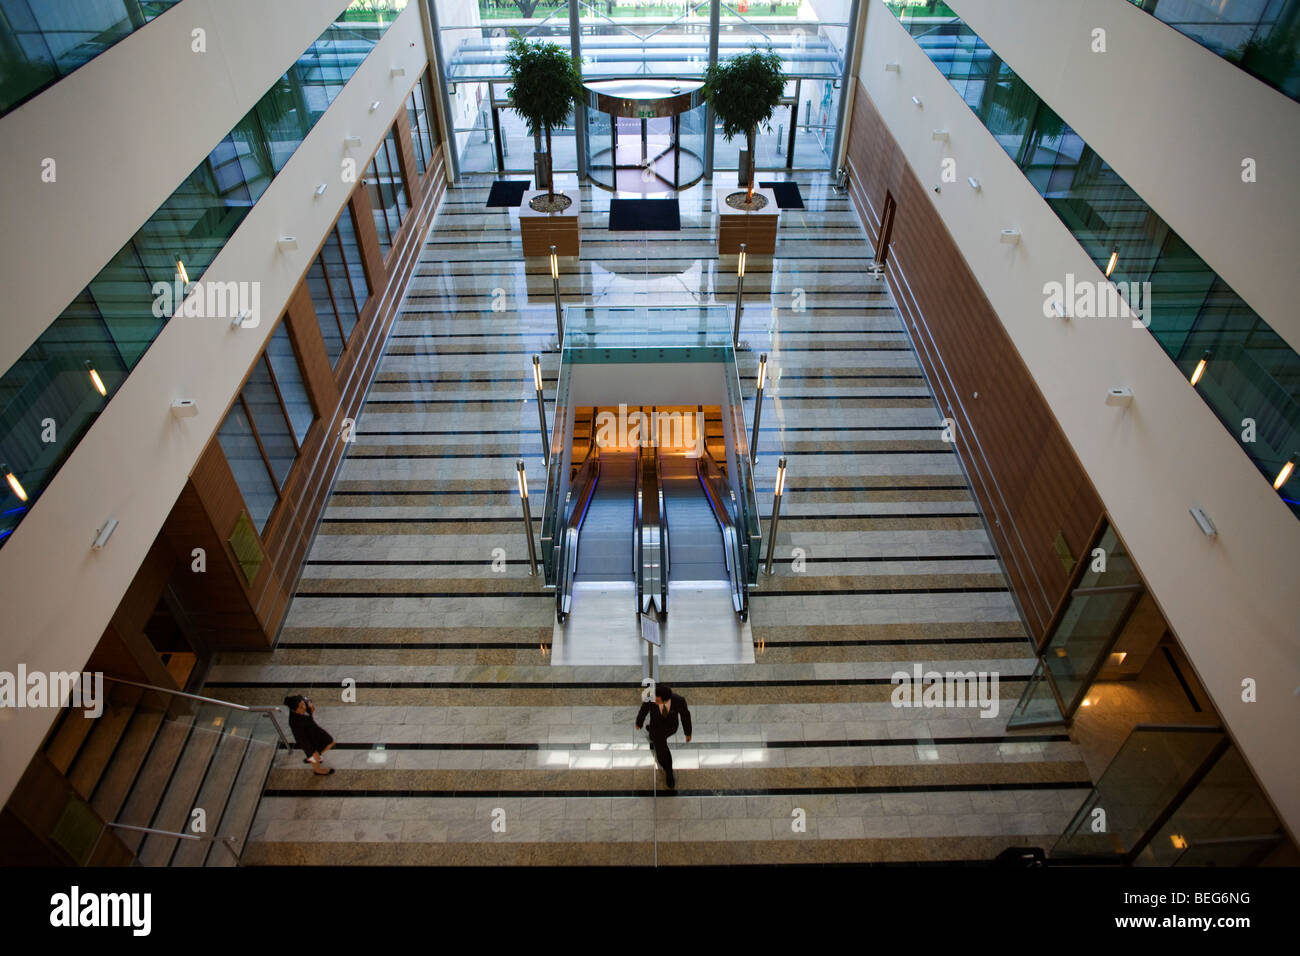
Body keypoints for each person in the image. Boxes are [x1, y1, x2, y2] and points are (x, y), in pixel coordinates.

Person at [635, 683, 691, 789]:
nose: (655, 702)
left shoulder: (679, 701)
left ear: (665, 700)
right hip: (656, 726)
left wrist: (688, 733)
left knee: (660, 748)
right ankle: (668, 769)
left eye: (657, 700)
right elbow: (644, 710)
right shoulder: (651, 698)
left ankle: (668, 771)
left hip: (670, 727)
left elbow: (685, 716)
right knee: (660, 745)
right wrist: (639, 722)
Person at [284, 695, 335, 775]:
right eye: (300, 707)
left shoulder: (302, 700)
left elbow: (307, 700)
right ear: (294, 710)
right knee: (313, 755)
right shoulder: (294, 722)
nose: (304, 707)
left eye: (303, 704)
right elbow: (302, 739)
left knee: (330, 742)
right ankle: (318, 770)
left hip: (314, 729)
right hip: (307, 739)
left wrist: (310, 705)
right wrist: (312, 752)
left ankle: (313, 757)